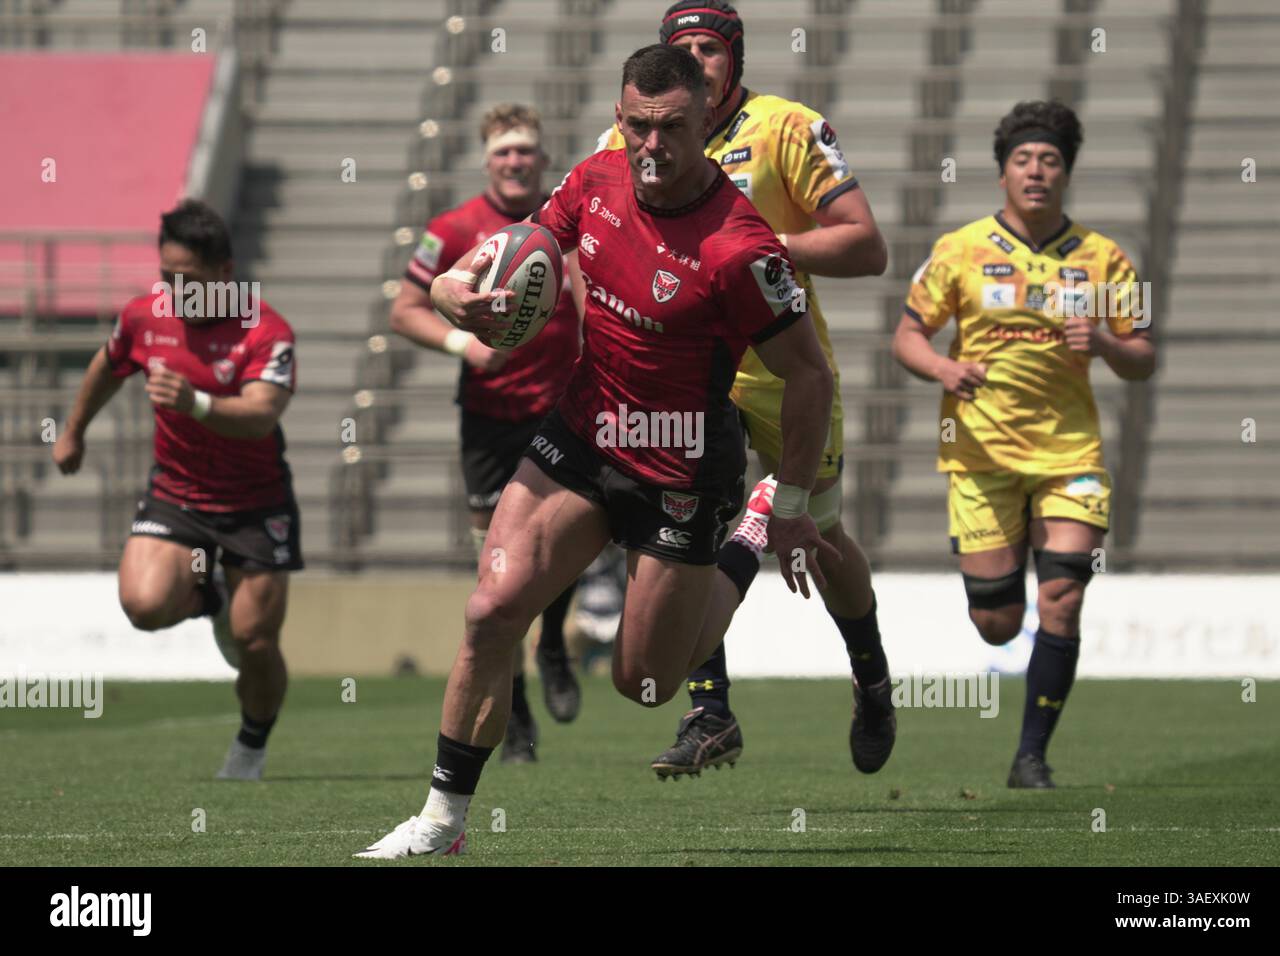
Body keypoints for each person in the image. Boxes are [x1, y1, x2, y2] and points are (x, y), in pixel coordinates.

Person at [357, 44, 836, 858]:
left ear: (704, 127)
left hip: (683, 462)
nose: (653, 147)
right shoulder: (595, 179)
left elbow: (810, 377)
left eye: (673, 129)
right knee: (489, 612)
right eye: (639, 127)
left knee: (645, 683)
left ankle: (745, 537)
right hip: (583, 433)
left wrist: (788, 503)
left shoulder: (742, 248)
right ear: (620, 119)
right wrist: (451, 290)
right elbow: (524, 240)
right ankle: (442, 823)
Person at [594, 1, 894, 778]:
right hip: (687, 369)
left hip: (783, 362)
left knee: (820, 533)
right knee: (686, 525)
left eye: (711, 48)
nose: (699, 59)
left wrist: (758, 246)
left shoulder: (789, 127)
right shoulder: (628, 140)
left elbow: (867, 247)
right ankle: (709, 711)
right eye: (682, 48)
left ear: (736, 59)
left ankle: (870, 676)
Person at [892, 100, 1155, 788]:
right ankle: (1002, 629)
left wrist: (1103, 340)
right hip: (980, 456)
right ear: (1003, 174)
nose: (1037, 171)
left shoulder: (1106, 258)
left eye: (1050, 161)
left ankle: (1031, 756)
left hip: (1071, 455)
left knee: (1063, 598)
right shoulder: (960, 249)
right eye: (1024, 161)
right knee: (997, 623)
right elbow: (907, 337)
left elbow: (1144, 354)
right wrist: (945, 367)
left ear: (1066, 173)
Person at [52, 198, 303, 781]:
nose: (170, 289)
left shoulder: (265, 330)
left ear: (222, 272)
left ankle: (252, 743)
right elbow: (108, 364)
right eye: (164, 275)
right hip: (178, 492)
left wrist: (193, 401)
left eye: (182, 279)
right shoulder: (145, 316)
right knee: (142, 606)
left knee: (256, 642)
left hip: (255, 502)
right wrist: (73, 432)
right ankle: (210, 594)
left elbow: (262, 415)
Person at [390, 103, 583, 762]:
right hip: (488, 419)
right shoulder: (452, 229)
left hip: (561, 410)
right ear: (486, 159)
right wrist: (463, 346)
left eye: (525, 150)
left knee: (560, 549)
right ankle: (519, 708)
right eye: (503, 151)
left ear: (542, 158)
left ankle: (554, 640)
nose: (515, 161)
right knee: (497, 572)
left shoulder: (569, 222)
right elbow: (405, 309)